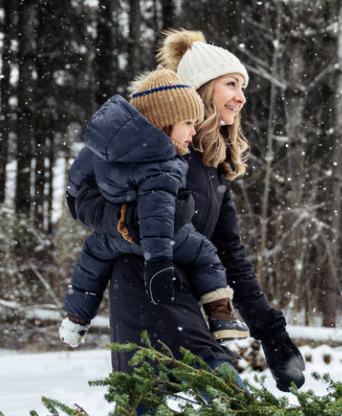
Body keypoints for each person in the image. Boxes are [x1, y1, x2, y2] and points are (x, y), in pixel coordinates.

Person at [69, 29, 305, 393]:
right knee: (223, 390)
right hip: (144, 280)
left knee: (145, 414)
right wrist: (127, 222)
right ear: (203, 87)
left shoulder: (213, 166)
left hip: (180, 290)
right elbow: (80, 196)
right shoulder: (149, 147)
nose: (241, 97)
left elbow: (230, 256)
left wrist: (272, 334)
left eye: (243, 87)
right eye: (232, 84)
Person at [59, 69, 249, 349]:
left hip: (111, 237)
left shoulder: (104, 145)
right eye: (188, 122)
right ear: (164, 122)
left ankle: (75, 320)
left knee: (90, 262)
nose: (194, 131)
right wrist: (158, 262)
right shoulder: (163, 162)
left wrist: (83, 203)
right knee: (205, 253)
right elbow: (157, 216)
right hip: (154, 242)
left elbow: (76, 180)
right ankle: (221, 315)